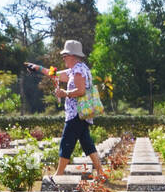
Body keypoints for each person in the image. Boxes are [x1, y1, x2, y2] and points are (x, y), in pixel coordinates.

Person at [28, 39, 107, 180]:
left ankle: (59, 174)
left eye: (65, 56)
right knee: (87, 143)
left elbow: (81, 90)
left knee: (66, 142)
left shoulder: (78, 71)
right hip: (82, 114)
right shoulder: (76, 69)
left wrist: (65, 93)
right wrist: (37, 68)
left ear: (72, 56)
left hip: (76, 114)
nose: (63, 58)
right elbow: (54, 74)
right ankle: (101, 172)